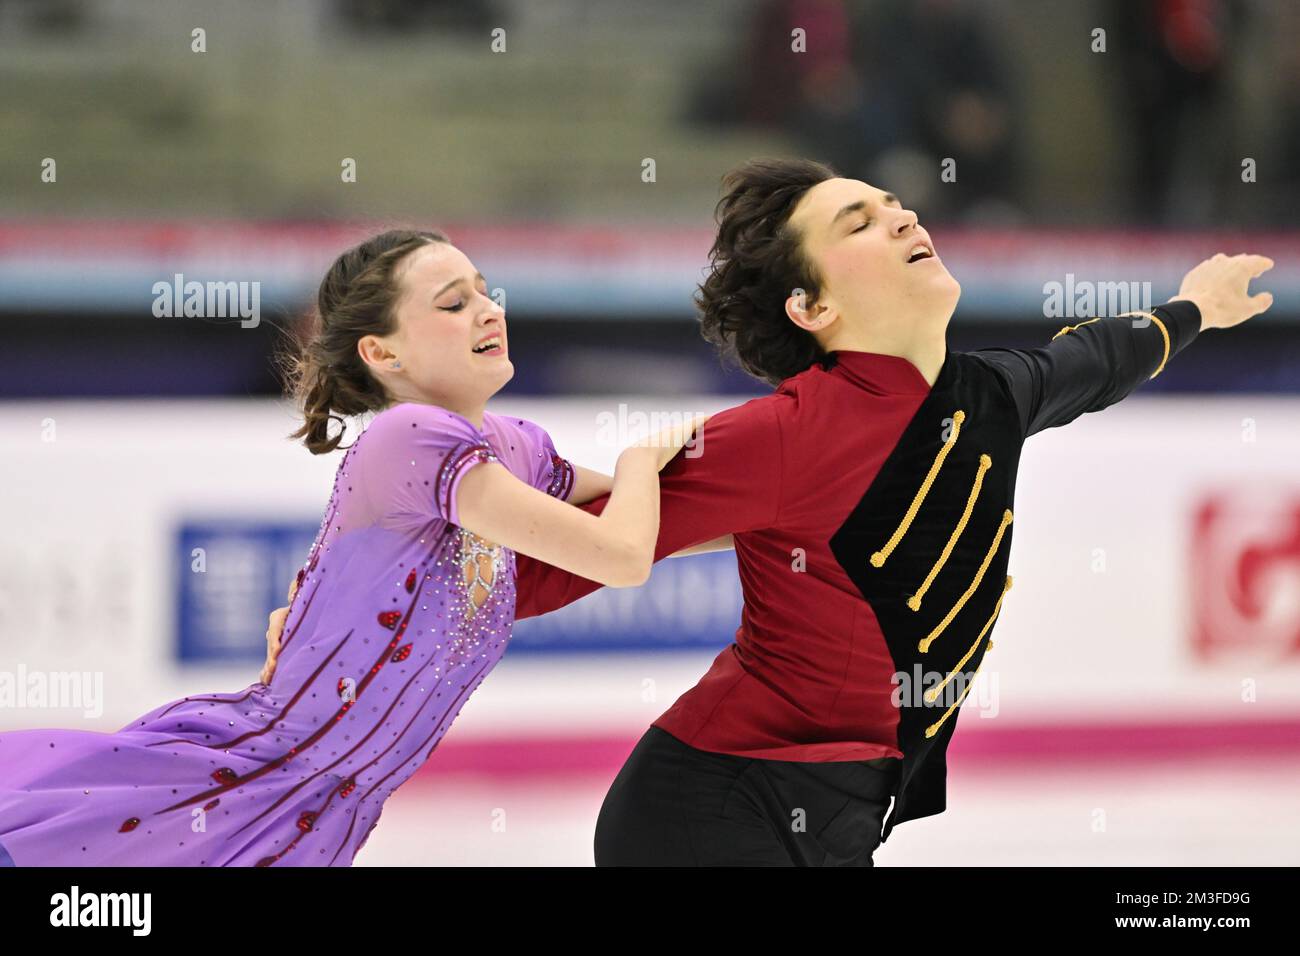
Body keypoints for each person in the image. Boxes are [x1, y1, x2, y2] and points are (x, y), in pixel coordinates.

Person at [508, 159, 1272, 866]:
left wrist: (1197, 306)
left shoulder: (991, 394)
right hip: (710, 811)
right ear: (810, 306)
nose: (904, 218)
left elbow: (1096, 361)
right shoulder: (782, 435)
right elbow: (557, 561)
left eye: (894, 205)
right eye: (860, 223)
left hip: (838, 817)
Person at [0, 228, 697, 867]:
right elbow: (623, 554)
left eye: (487, 291)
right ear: (381, 352)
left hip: (322, 819)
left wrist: (783, 517)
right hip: (225, 785)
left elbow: (662, 522)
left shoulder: (520, 449)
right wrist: (641, 457)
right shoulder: (410, 436)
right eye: (455, 303)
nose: (489, 310)